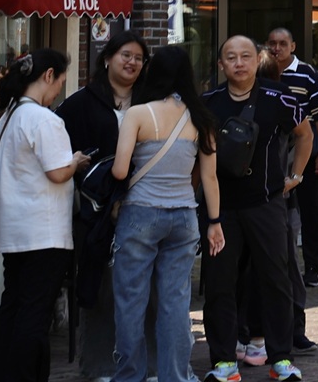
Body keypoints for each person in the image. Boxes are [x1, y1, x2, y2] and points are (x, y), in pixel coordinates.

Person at [201, 34, 311, 382]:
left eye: (246, 56)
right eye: (231, 57)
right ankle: (222, 361)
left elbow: (305, 134)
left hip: (266, 204)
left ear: (257, 59)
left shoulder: (279, 96)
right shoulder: (209, 103)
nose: (239, 63)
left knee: (275, 280)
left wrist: (296, 175)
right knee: (219, 283)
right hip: (223, 209)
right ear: (221, 65)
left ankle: (281, 359)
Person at [110, 45, 223, 382]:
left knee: (131, 300)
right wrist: (215, 222)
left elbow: (119, 171)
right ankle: (175, 375)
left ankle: (130, 375)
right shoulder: (202, 119)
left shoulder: (138, 114)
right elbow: (209, 178)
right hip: (184, 217)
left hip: (140, 213)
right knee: (175, 303)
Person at [0, 49, 89, 382]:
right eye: (59, 81)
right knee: (35, 313)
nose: (59, 89)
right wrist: (75, 160)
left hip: (14, 231)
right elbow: (58, 173)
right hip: (45, 232)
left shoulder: (9, 117)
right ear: (47, 76)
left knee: (13, 308)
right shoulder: (44, 119)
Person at [58, 31, 150, 379]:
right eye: (126, 55)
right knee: (100, 289)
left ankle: (144, 364)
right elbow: (60, 150)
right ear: (108, 58)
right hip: (95, 212)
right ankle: (98, 366)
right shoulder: (80, 102)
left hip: (142, 206)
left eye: (139, 58)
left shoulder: (150, 101)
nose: (132, 63)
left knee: (145, 290)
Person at [265, 28, 318, 289]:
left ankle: (314, 267)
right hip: (273, 152)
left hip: (302, 150)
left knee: (310, 209)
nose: (276, 48)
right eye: (272, 43)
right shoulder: (262, 71)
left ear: (292, 46)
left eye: (282, 43)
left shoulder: (306, 73)